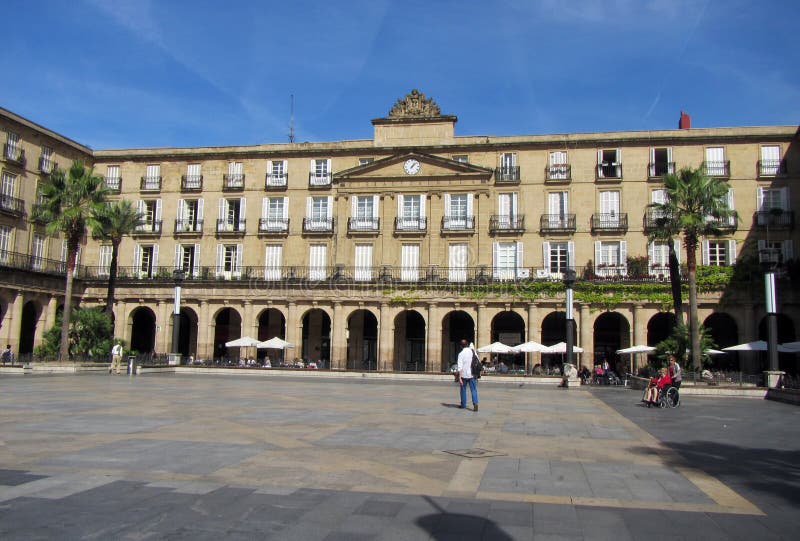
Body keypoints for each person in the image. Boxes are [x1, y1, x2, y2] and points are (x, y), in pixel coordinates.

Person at [456, 339, 479, 411]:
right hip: (472, 374)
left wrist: (459, 377)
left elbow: (460, 367)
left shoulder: (461, 354)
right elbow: (477, 361)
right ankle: (475, 404)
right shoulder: (472, 351)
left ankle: (463, 404)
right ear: (467, 344)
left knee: (463, 390)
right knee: (474, 390)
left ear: (461, 346)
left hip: (464, 375)